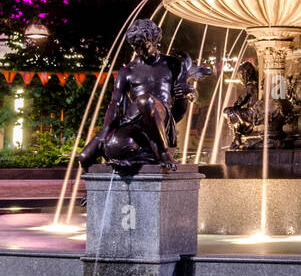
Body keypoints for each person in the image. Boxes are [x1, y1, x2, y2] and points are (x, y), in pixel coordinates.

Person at [79, 18, 210, 171]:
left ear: (155, 40)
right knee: (84, 157)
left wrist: (191, 92)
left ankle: (163, 151)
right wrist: (106, 131)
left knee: (144, 100)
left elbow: (183, 102)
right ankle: (93, 194)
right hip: (132, 121)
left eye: (144, 46)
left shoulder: (172, 64)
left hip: (161, 117)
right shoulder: (127, 71)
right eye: (136, 47)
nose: (140, 51)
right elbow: (115, 103)